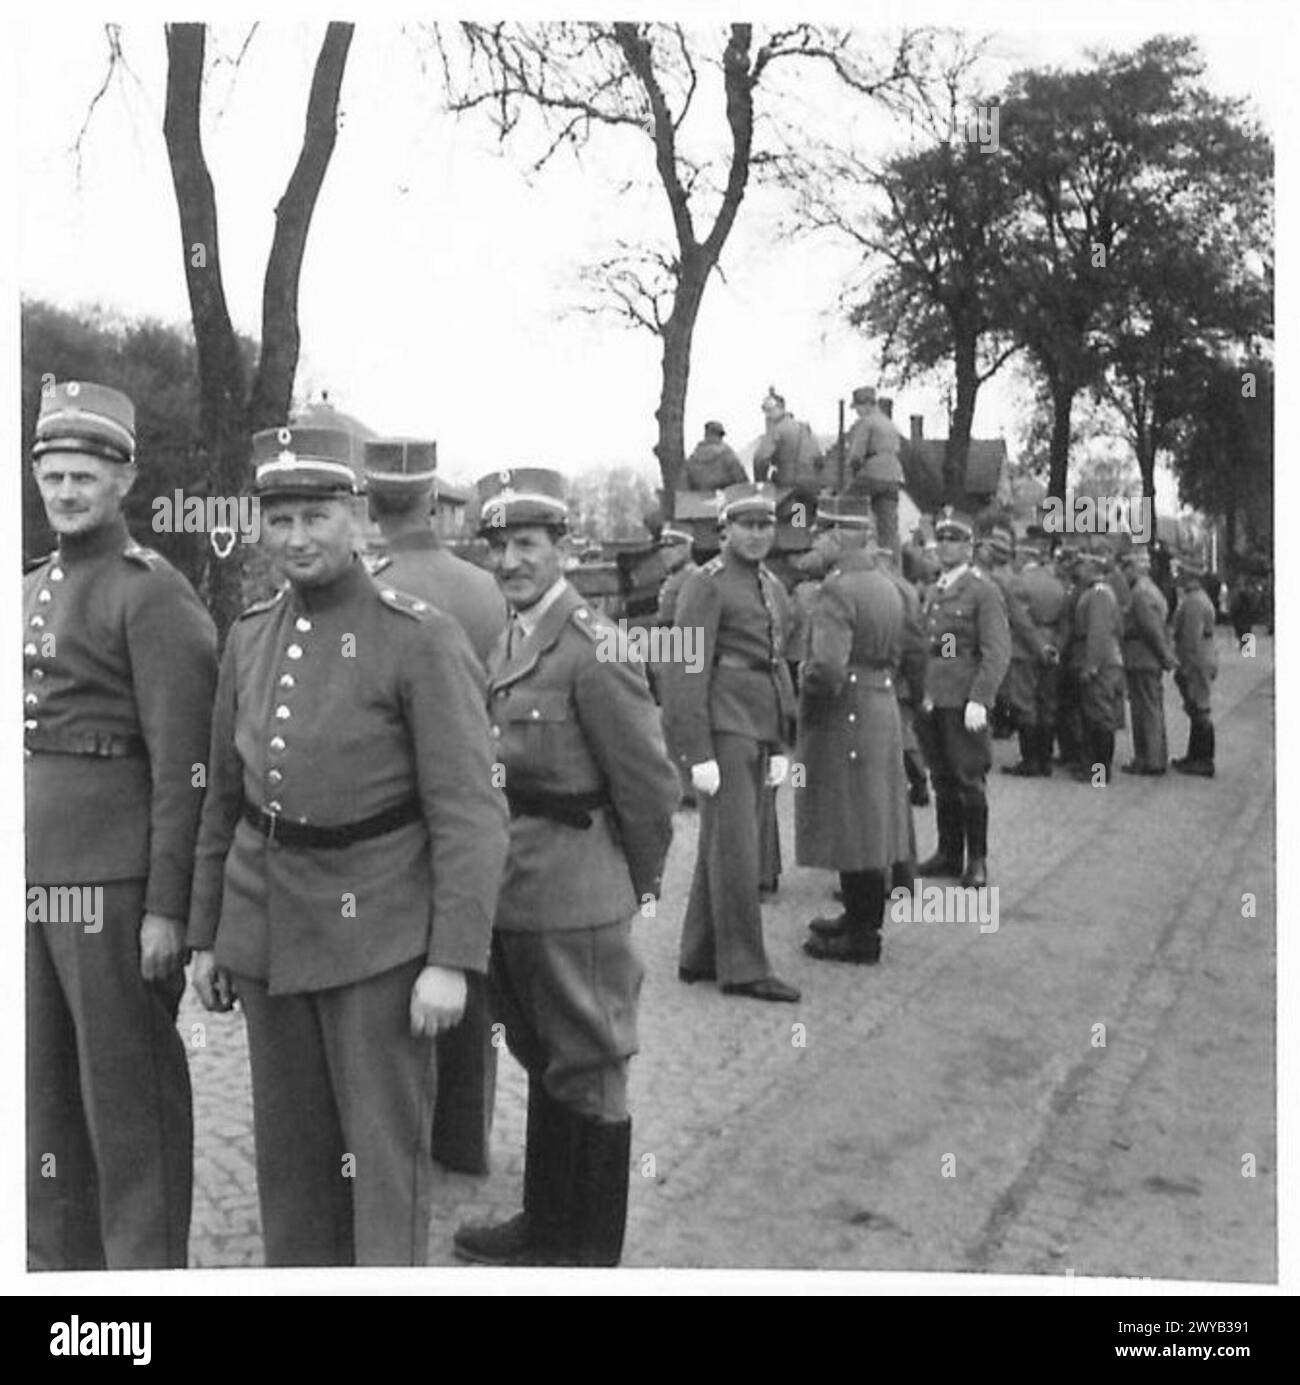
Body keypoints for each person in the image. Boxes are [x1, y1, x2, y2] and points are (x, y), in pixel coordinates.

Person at [187, 425, 509, 1267]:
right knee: (290, 1167)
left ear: (358, 516)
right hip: (267, 933)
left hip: (378, 940)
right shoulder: (250, 635)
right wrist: (207, 932)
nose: (296, 537)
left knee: (382, 1165)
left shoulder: (419, 637)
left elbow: (468, 812)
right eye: (281, 517)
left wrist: (452, 959)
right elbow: (223, 797)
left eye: (316, 516)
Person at [453, 468, 679, 1267]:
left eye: (527, 544)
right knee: (547, 1062)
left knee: (592, 1071)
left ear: (564, 549)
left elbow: (650, 785)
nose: (511, 560)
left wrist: (628, 884)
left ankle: (587, 1255)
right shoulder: (510, 637)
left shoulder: (595, 646)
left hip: (579, 892)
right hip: (517, 891)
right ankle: (544, 1228)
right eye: (501, 547)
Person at [25, 380, 217, 1271]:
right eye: (51, 475)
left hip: (111, 888)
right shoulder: (25, 588)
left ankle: (142, 1283)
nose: (65, 493)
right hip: (30, 881)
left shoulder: (151, 594)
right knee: (40, 1102)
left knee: (126, 1103)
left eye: (83, 477)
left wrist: (167, 909)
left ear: (125, 481)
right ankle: (62, 1283)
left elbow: (187, 767)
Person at [363, 437, 509, 1178]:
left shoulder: (370, 584)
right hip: (477, 792)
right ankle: (462, 1133)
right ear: (432, 502)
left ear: (368, 503)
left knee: (397, 976)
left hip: (391, 809)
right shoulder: (483, 586)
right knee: (467, 963)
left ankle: (398, 1133)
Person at [663, 481, 801, 1002]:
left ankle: (699, 953)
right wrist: (695, 751)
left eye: (766, 525)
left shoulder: (769, 583)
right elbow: (685, 668)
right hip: (723, 726)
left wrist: (784, 740)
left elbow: (777, 663)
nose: (758, 534)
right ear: (725, 528)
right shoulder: (708, 584)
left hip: (756, 725)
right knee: (740, 850)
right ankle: (743, 967)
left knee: (724, 845)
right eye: (747, 524)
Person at [795, 497, 913, 964]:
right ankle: (861, 919)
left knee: (852, 819)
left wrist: (802, 682)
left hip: (845, 710)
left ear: (840, 536)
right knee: (868, 816)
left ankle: (863, 933)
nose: (816, 541)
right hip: (880, 703)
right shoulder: (887, 584)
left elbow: (826, 666)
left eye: (823, 533)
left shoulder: (837, 590)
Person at [914, 509, 1010, 888]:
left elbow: (996, 650)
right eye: (942, 540)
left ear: (969, 547)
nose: (946, 547)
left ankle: (978, 860)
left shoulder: (982, 589)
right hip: (935, 698)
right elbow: (942, 647)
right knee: (941, 777)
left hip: (963, 701)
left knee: (969, 778)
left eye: (955, 540)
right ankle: (949, 853)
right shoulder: (937, 589)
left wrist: (981, 698)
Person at [999, 531, 1066, 777]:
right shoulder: (1057, 583)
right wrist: (1054, 646)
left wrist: (1038, 647)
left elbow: (1021, 621)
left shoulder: (1017, 584)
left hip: (1025, 650)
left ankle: (1030, 761)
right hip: (1052, 648)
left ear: (1023, 555)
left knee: (1025, 703)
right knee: (1047, 703)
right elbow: (1064, 621)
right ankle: (1046, 759)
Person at [1067, 551, 1126, 784]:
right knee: (1095, 717)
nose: (1077, 569)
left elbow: (1098, 632)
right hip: (1104, 659)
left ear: (1092, 566)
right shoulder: (1097, 592)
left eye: (1081, 564)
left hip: (1100, 662)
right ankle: (1094, 768)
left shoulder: (1099, 594)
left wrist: (1091, 665)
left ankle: (1099, 772)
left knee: (1099, 718)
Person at [1120, 545, 1178, 776]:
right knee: (1150, 707)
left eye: (1127, 567)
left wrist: (1165, 655)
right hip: (1146, 656)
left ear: (1135, 567)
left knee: (1145, 710)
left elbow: (1151, 628)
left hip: (1142, 656)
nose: (1124, 573)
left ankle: (1150, 759)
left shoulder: (1140, 593)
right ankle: (1153, 757)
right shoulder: (1151, 589)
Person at [844, 384, 906, 556]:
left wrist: (853, 476)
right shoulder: (889, 424)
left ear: (866, 405)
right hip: (894, 477)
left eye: (857, 408)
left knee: (845, 507)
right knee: (889, 528)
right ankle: (893, 567)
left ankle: (851, 553)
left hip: (872, 473)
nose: (857, 412)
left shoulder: (866, 423)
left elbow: (856, 456)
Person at [1171, 561, 1219, 777]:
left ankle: (1203, 759)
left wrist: (1186, 667)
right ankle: (1195, 756)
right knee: (1196, 708)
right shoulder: (1197, 599)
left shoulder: (1194, 602)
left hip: (1197, 659)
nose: (1177, 576)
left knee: (1199, 708)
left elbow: (1191, 637)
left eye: (1180, 572)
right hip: (1203, 655)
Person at [752, 389, 822, 505]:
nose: (767, 415)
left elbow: (760, 458)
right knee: (801, 521)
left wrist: (760, 483)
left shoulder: (777, 429)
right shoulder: (804, 429)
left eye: (769, 411)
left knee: (785, 520)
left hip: (788, 489)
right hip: (810, 488)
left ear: (779, 409)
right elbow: (818, 458)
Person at [683, 421, 747, 492]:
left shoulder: (693, 458)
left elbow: (685, 486)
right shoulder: (727, 453)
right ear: (720, 435)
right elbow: (742, 481)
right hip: (725, 500)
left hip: (700, 500)